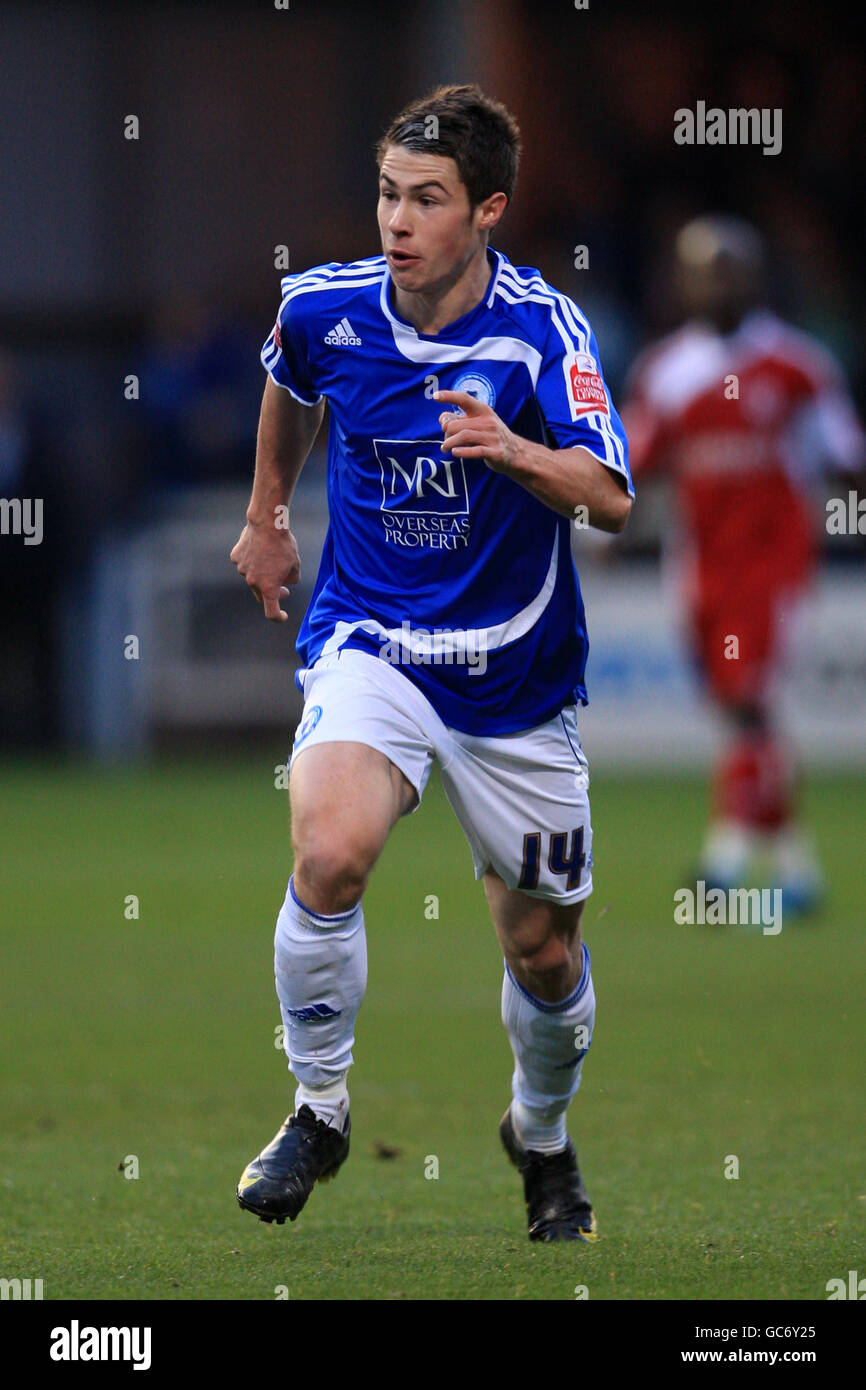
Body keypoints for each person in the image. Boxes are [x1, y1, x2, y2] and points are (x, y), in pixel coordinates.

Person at [229, 84, 632, 1242]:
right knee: (331, 848)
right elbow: (291, 383)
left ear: (487, 210)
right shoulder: (325, 308)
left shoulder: (542, 333)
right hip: (373, 641)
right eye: (387, 194)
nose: (396, 220)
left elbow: (606, 497)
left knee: (541, 949)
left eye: (426, 200)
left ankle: (540, 1136)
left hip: (513, 679)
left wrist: (509, 447)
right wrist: (268, 516)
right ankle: (317, 1109)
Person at [621, 215, 864, 911]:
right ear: (684, 282)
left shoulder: (796, 366)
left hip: (772, 566)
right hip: (699, 569)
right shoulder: (666, 370)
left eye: (728, 267)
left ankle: (724, 863)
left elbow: (846, 457)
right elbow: (635, 466)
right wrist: (602, 533)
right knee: (739, 714)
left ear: (754, 278)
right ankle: (797, 870)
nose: (716, 282)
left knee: (747, 702)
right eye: (703, 269)